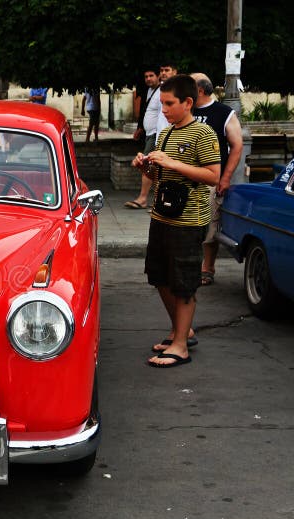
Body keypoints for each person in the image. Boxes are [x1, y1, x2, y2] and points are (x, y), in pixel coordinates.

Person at [131, 74, 221, 367]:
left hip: (188, 221)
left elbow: (213, 176)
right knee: (159, 276)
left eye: (170, 104)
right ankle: (181, 332)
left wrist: (172, 162)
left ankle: (180, 346)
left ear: (188, 102)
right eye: (162, 104)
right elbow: (160, 175)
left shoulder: (203, 133)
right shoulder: (166, 134)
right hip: (162, 215)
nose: (165, 110)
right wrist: (145, 167)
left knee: (183, 283)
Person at [190, 72, 243, 287]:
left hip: (211, 180)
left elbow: (237, 146)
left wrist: (226, 178)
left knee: (210, 226)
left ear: (200, 90)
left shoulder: (224, 113)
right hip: (186, 177)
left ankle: (207, 268)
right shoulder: (186, 110)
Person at [124, 63, 175, 209]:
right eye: (162, 70)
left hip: (159, 134)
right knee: (153, 166)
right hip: (154, 134)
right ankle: (155, 200)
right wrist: (141, 128)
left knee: (150, 165)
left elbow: (165, 115)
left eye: (166, 70)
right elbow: (150, 112)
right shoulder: (154, 90)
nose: (163, 73)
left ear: (174, 72)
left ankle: (145, 199)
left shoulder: (170, 90)